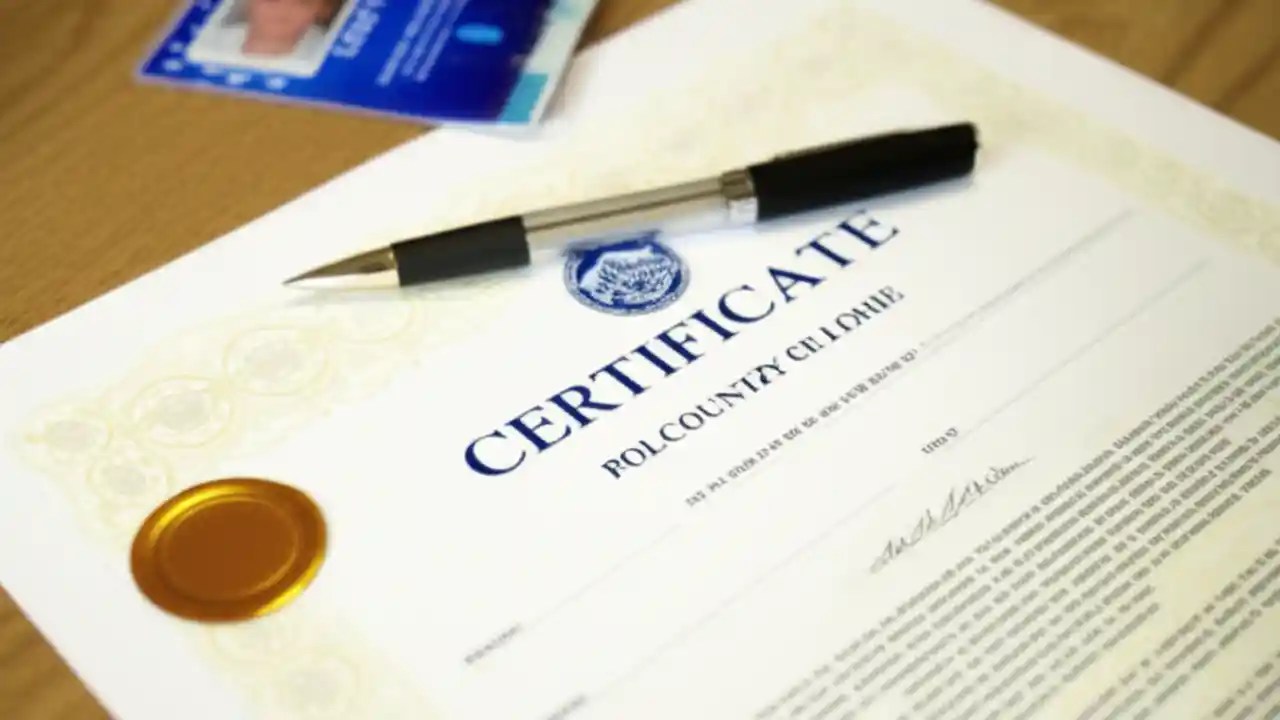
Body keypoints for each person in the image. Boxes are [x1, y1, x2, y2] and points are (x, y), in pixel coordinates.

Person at [206, 0, 334, 60]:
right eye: (272, 0)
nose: (284, 11)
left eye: (302, 3)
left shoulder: (328, 56)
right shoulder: (211, 42)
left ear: (322, 11)